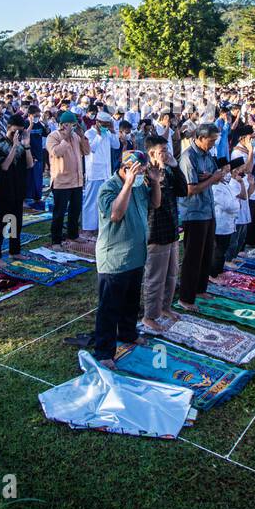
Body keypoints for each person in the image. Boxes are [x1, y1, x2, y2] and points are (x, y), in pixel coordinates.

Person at [92, 150, 158, 367]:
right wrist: (128, 185)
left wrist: (155, 182)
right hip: (115, 258)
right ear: (126, 169)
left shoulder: (139, 186)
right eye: (139, 171)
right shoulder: (108, 188)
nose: (142, 175)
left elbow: (155, 204)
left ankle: (129, 333)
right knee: (109, 307)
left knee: (131, 302)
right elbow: (115, 214)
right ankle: (104, 352)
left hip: (136, 255)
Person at [141, 135, 186, 332]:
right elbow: (153, 204)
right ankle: (150, 315)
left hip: (171, 229)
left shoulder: (167, 170)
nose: (166, 155)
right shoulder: (145, 174)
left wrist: (175, 166)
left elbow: (183, 191)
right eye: (162, 151)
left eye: (167, 151)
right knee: (155, 277)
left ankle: (165, 307)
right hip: (155, 230)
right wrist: (157, 177)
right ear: (151, 153)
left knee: (171, 274)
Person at [177, 122, 226, 307]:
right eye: (211, 140)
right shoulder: (188, 157)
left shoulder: (207, 154)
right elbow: (190, 189)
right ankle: (185, 297)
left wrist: (213, 177)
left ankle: (200, 289)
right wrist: (212, 179)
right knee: (193, 256)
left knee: (206, 253)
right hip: (194, 212)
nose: (213, 144)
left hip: (208, 209)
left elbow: (210, 175)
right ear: (200, 138)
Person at [46, 111, 91, 249]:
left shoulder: (76, 136)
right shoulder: (53, 136)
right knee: (59, 212)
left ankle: (73, 234)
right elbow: (56, 153)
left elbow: (87, 151)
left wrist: (82, 136)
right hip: (61, 181)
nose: (70, 127)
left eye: (72, 125)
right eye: (68, 125)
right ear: (61, 125)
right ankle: (56, 240)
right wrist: (65, 138)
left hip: (76, 180)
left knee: (75, 210)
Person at [0, 116, 34, 261]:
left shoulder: (22, 144)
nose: (17, 135)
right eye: (15, 131)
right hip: (5, 188)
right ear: (8, 127)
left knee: (16, 222)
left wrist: (26, 146)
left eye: (20, 132)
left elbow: (29, 165)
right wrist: (14, 146)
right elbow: (4, 166)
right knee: (1, 223)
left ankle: (14, 250)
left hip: (19, 188)